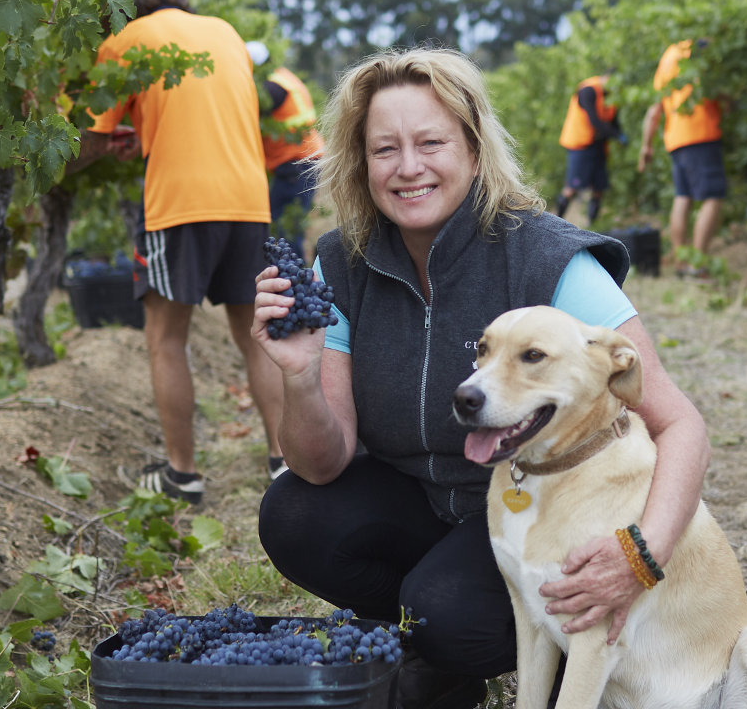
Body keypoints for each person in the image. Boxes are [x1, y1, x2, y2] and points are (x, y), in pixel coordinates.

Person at [252, 49, 711, 709]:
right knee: (295, 514)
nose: (408, 167)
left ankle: (516, 642)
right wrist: (297, 376)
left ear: (472, 147)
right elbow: (323, 464)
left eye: (430, 142)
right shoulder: (342, 265)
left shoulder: (547, 260)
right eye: (384, 149)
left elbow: (680, 423)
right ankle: (435, 642)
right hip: (421, 505)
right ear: (361, 161)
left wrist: (642, 558)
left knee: (447, 612)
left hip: (543, 515)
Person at [72, 0, 288, 495]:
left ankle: (182, 475)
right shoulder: (226, 34)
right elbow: (200, 116)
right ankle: (286, 464)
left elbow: (92, 138)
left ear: (130, 10)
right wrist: (144, 134)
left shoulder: (124, 40)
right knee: (254, 338)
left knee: (166, 339)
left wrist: (46, 165)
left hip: (179, 206)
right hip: (247, 199)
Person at [637, 39, 727, 277]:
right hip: (701, 132)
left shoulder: (670, 55)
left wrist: (646, 145)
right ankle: (697, 265)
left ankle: (681, 262)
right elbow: (720, 90)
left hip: (675, 138)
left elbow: (655, 108)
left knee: (682, 196)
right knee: (713, 196)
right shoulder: (704, 48)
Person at [247, 40, 324, 259]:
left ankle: (295, 282)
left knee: (286, 230)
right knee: (281, 226)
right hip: (301, 160)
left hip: (297, 163)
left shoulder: (271, 89)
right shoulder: (282, 78)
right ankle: (292, 277)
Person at [554, 68, 627, 226]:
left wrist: (619, 133)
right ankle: (557, 224)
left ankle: (592, 227)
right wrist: (616, 135)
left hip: (598, 145)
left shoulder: (612, 95)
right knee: (572, 187)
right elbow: (594, 121)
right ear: (605, 77)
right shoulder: (588, 91)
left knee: (598, 188)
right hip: (580, 145)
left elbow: (614, 122)